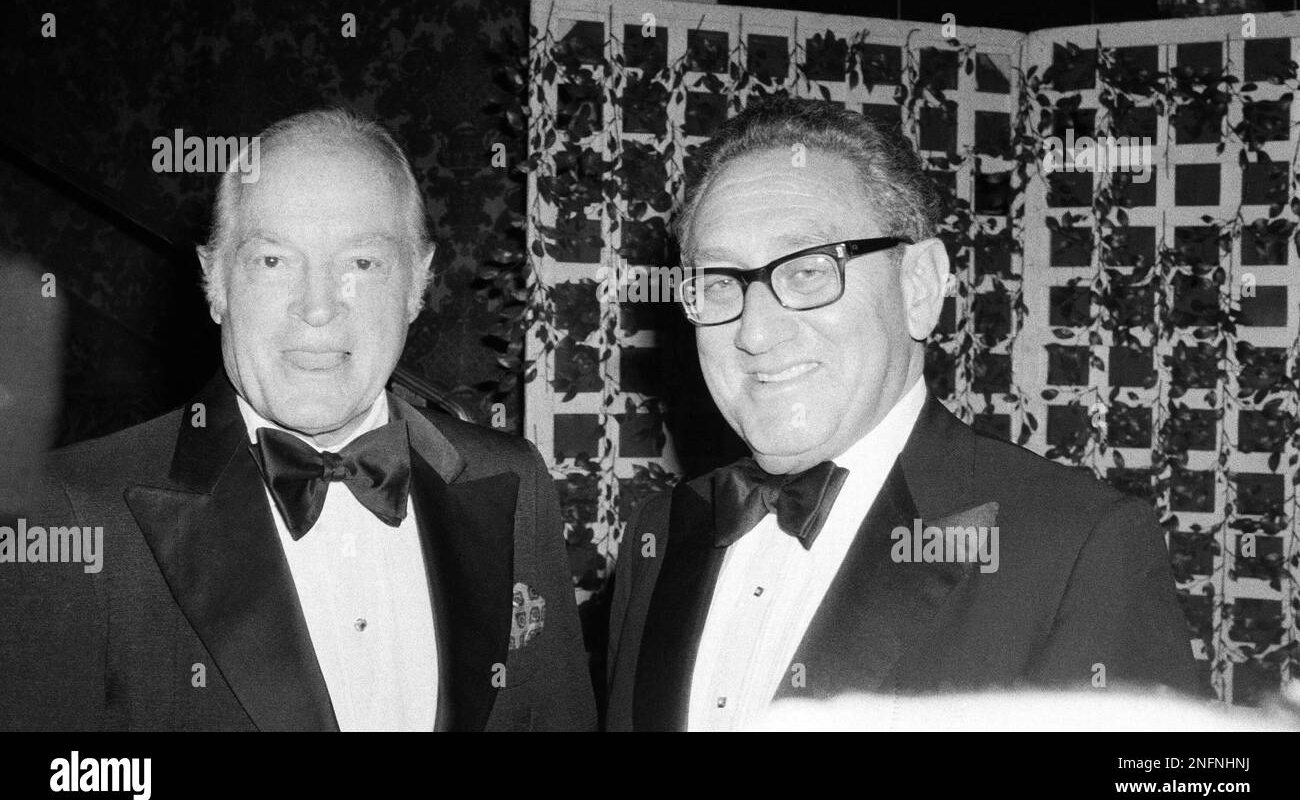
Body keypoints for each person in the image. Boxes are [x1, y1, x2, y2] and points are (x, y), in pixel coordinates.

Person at [605, 98, 1198, 731]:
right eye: (720, 283)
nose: (753, 332)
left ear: (919, 288)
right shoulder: (662, 535)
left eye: (807, 271)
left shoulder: (1076, 545)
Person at [5, 108, 595, 731]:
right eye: (273, 261)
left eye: (362, 264)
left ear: (419, 283)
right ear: (215, 281)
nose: (317, 308)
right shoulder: (72, 512)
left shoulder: (512, 479)